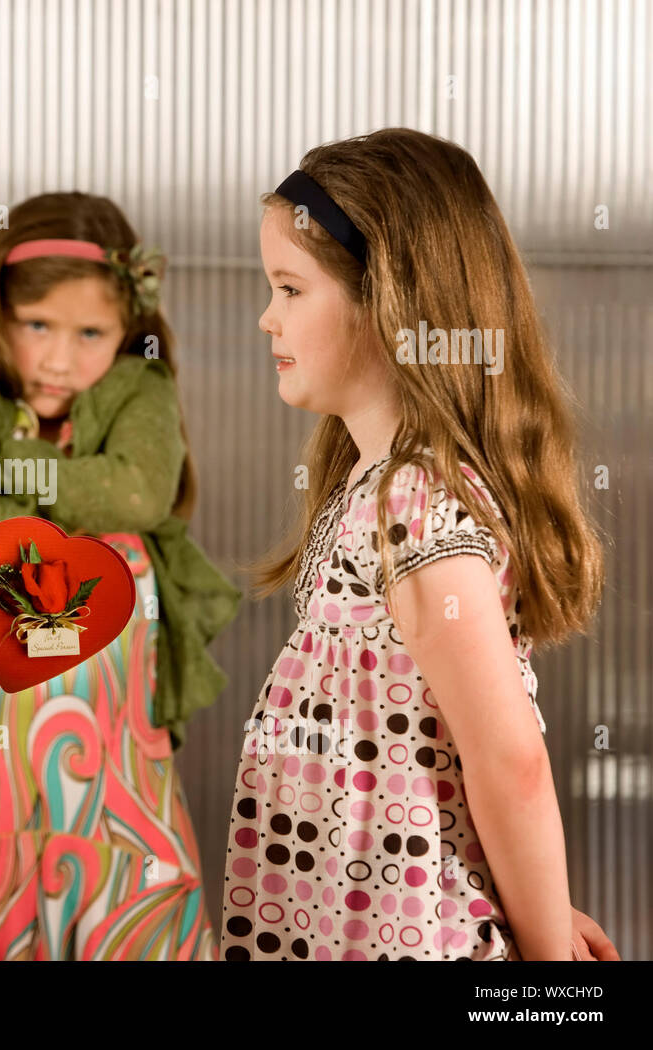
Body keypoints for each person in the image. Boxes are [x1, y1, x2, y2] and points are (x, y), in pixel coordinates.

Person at [223, 127, 615, 960]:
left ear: (387, 300)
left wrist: (548, 964)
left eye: (291, 289)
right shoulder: (373, 486)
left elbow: (507, 760)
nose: (267, 317)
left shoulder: (416, 502)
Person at [0, 191, 242, 960]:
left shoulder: (141, 387)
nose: (60, 358)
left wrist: (10, 464)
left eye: (91, 333)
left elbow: (141, 493)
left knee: (122, 897)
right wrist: (79, 483)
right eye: (37, 326)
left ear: (129, 331)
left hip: (113, 749)